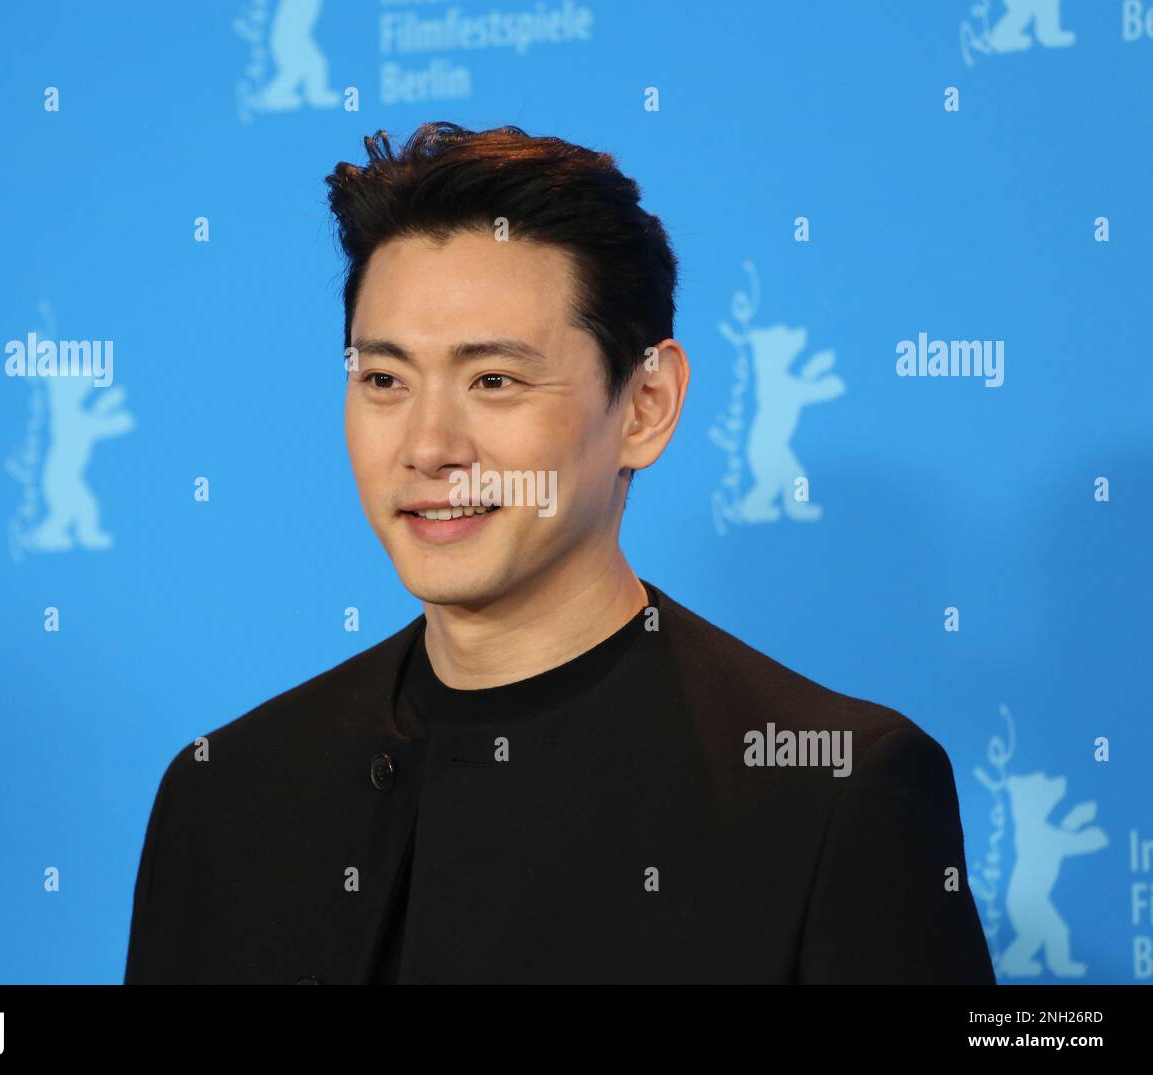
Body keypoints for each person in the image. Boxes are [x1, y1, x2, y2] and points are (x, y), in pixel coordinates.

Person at [124, 121, 996, 984]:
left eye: (493, 380)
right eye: (384, 380)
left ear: (647, 404)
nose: (429, 447)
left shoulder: (829, 793)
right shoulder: (226, 793)